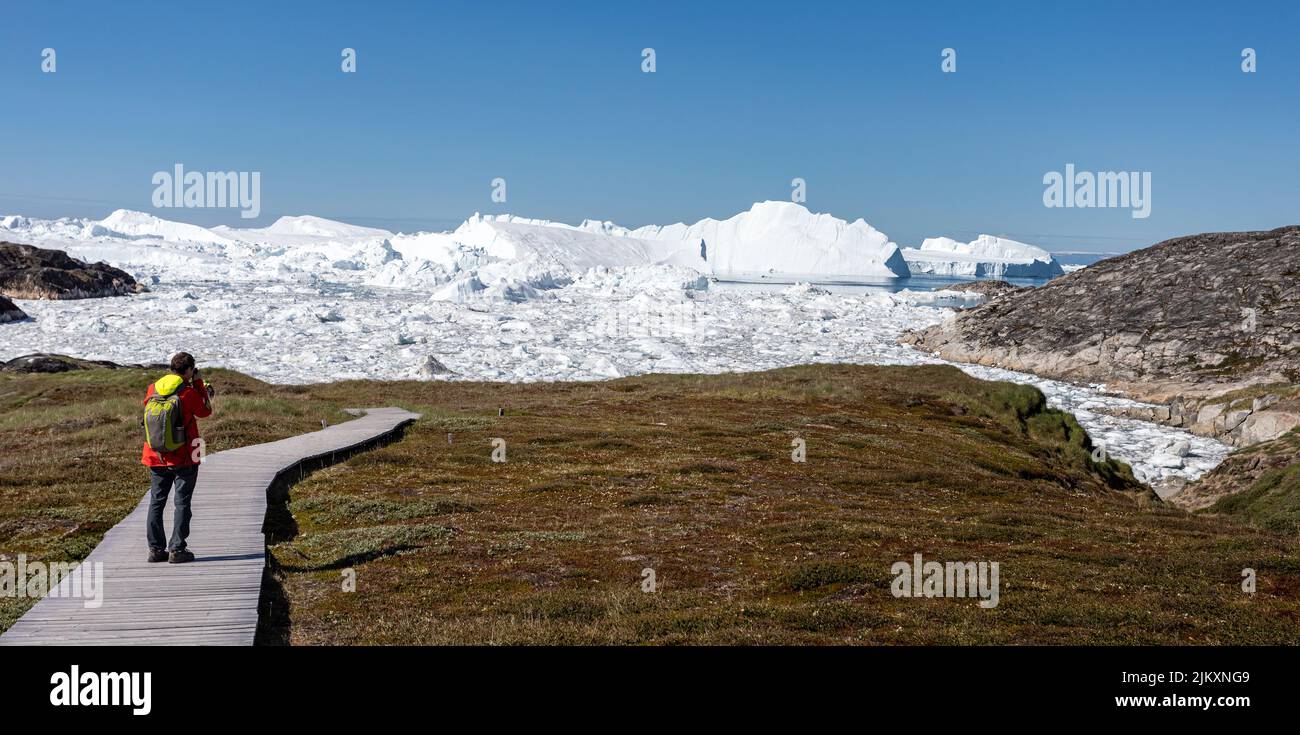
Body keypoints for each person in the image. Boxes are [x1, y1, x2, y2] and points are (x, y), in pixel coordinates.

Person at [141, 352, 213, 563]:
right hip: (185, 456)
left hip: (156, 454)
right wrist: (199, 385)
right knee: (182, 503)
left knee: (156, 502)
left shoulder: (153, 388)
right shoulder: (188, 393)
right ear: (189, 370)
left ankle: (155, 549)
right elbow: (205, 411)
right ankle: (177, 549)